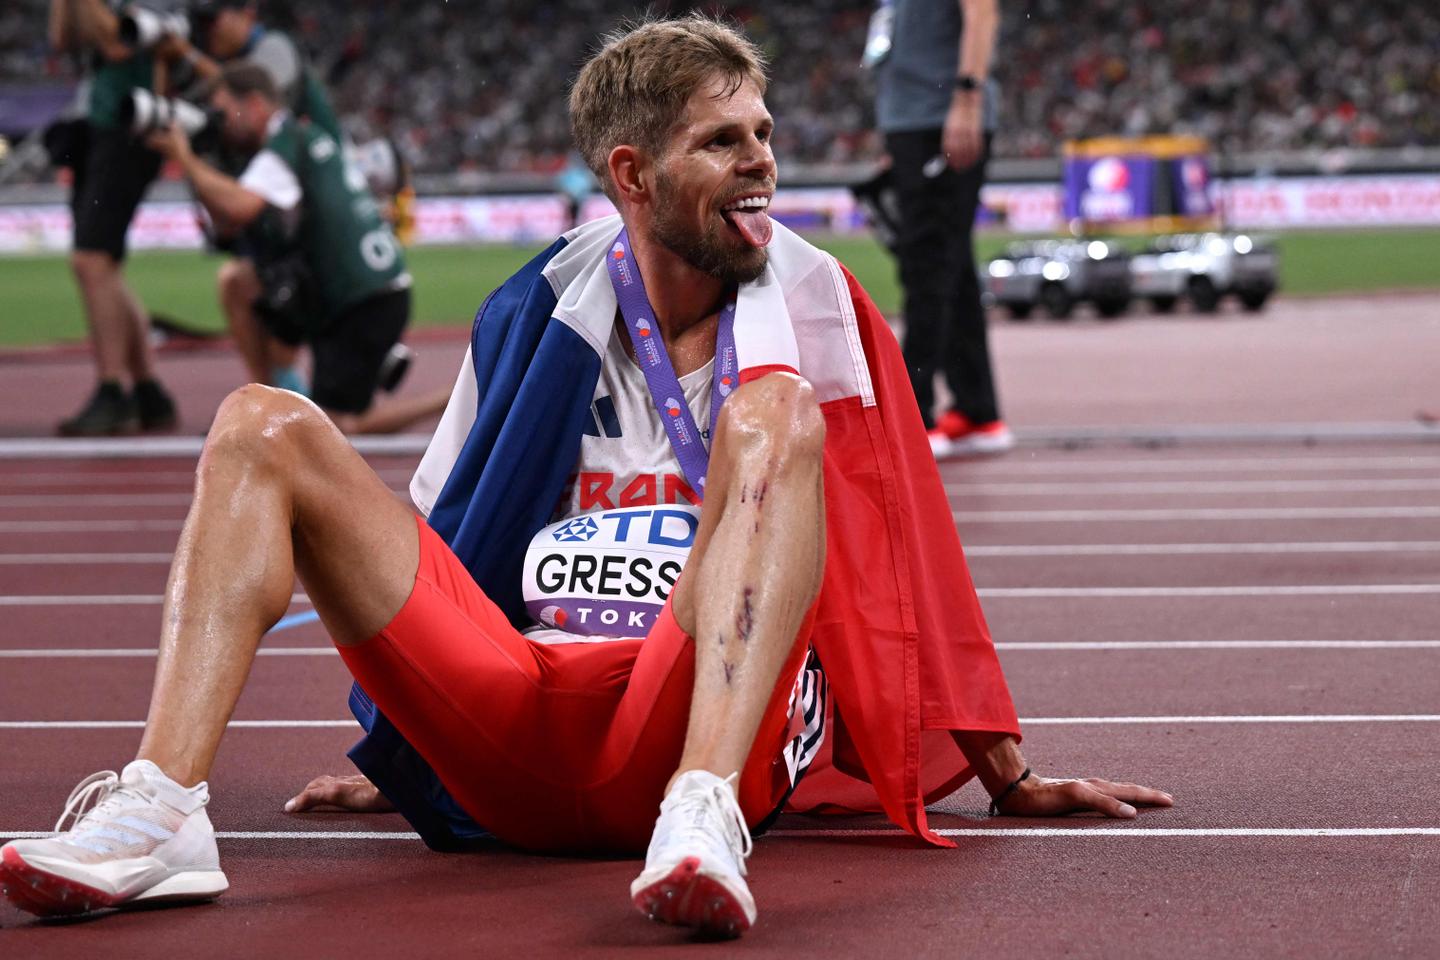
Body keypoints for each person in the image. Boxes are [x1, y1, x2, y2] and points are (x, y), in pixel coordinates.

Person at [0, 17, 1170, 938]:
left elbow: (908, 539)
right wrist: (404, 739)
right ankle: (160, 810)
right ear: (633, 174)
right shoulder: (538, 307)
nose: (761, 161)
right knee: (260, 423)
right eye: (723, 142)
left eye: (763, 133)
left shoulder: (815, 307)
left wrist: (1001, 768)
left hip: (694, 708)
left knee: (777, 415)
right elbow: (437, 533)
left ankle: (703, 820)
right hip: (523, 700)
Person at [144, 62, 443, 434]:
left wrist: (183, 157)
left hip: (362, 300)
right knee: (238, 280)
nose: (220, 122)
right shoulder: (304, 135)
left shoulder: (285, 144)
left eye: (225, 111)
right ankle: (272, 402)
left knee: (341, 425)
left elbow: (240, 207)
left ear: (254, 104)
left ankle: (452, 401)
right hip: (349, 290)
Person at [156, 0, 345, 394]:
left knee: (284, 304)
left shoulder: (272, 48)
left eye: (214, 18)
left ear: (248, 13)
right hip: (281, 207)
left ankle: (291, 405)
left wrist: (187, 56)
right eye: (200, 23)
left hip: (317, 211)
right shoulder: (216, 62)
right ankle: (269, 401)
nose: (209, 30)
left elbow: (259, 97)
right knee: (239, 285)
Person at [870, 0, 1012, 457]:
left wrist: (967, 99)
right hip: (914, 121)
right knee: (950, 262)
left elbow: (983, 13)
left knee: (927, 264)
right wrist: (895, 134)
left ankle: (916, 416)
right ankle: (977, 410)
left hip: (940, 116)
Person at [49, 0, 178, 436]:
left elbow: (117, 43)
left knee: (91, 260)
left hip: (132, 128)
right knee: (103, 266)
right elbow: (61, 40)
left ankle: (112, 391)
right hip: (100, 126)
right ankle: (147, 390)